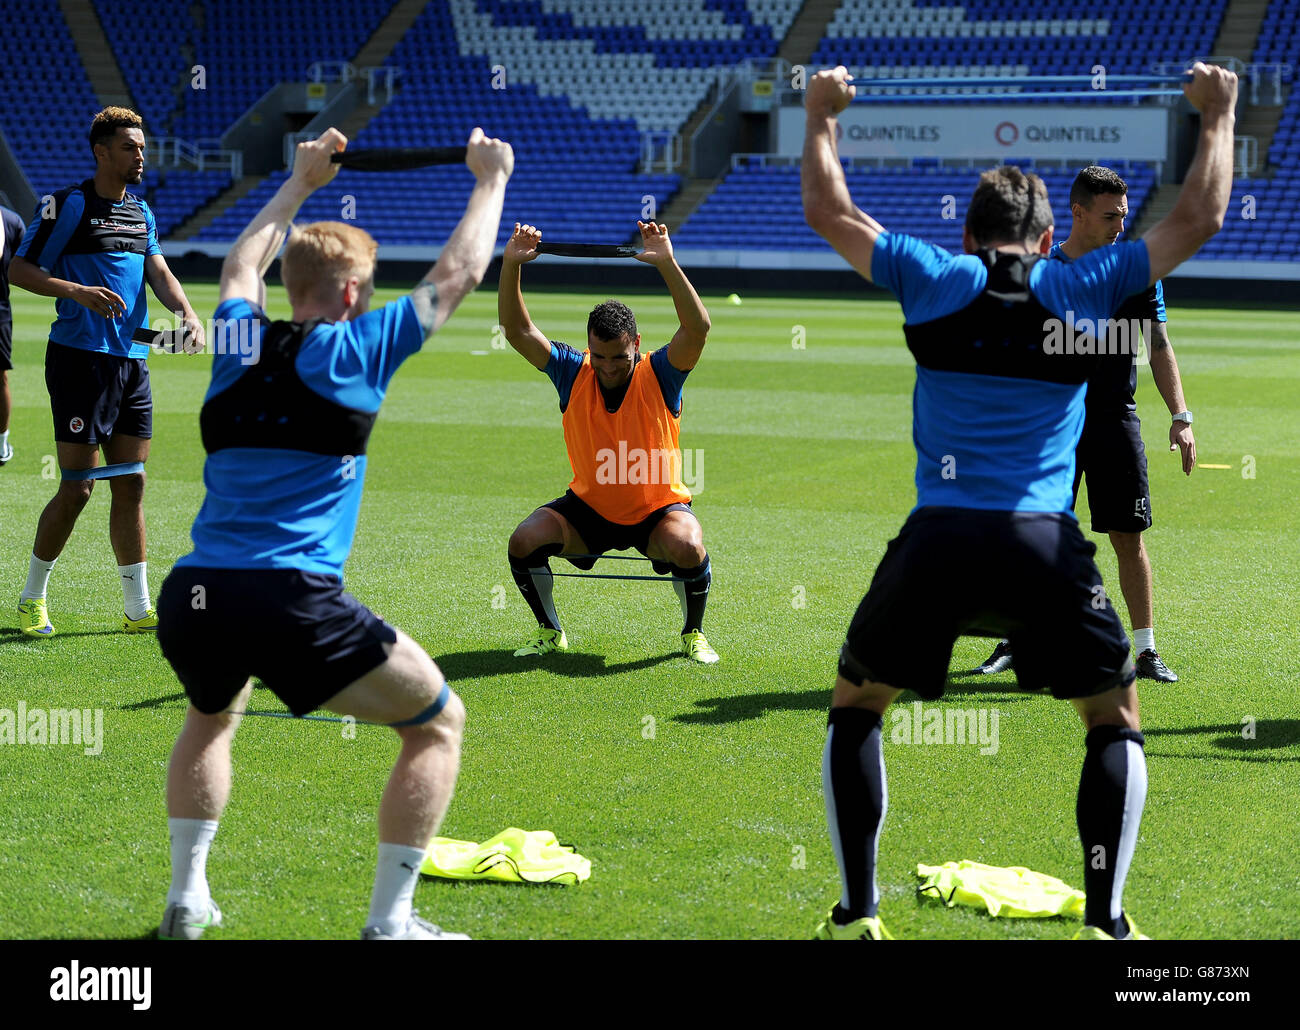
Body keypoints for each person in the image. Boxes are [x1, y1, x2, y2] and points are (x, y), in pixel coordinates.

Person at [801, 62, 1236, 940]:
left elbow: (830, 214)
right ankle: (1107, 923)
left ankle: (857, 915)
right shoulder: (1080, 287)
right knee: (1112, 717)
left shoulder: (933, 277)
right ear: (1046, 240)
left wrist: (821, 116)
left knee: (858, 704)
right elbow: (1200, 218)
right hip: (1041, 543)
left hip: (936, 541)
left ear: (969, 232)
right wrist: (1218, 115)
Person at [154, 126, 513, 940]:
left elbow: (240, 264)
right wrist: (489, 180)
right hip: (287, 595)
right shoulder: (356, 348)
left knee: (212, 717)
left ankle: (186, 897)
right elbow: (456, 276)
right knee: (436, 724)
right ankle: (391, 922)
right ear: (351, 292)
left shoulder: (237, 345)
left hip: (195, 593)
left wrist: (297, 184)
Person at [978, 165, 1193, 683]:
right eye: (1110, 215)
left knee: (1128, 536)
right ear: (1077, 213)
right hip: (1052, 422)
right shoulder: (1045, 272)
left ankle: (1144, 651)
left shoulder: (1137, 272)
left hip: (1115, 419)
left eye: (1123, 214)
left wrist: (1180, 416)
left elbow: (1158, 345)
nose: (1121, 224)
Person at [9, 106, 205, 636]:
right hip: (78, 360)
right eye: (130, 147)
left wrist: (185, 314)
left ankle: (138, 608)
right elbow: (19, 268)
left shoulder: (141, 211)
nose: (141, 155)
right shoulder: (67, 205)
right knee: (76, 487)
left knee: (131, 482)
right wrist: (78, 292)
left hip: (131, 363)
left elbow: (158, 270)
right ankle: (31, 598)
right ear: (101, 152)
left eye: (142, 147)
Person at [498, 219, 719, 663]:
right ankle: (550, 631)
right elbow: (518, 332)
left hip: (656, 511)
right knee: (523, 540)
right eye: (599, 356)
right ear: (588, 347)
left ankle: (693, 632)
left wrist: (668, 263)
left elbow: (697, 329)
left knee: (689, 546)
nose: (609, 367)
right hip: (589, 511)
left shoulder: (660, 372)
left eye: (619, 357)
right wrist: (511, 265)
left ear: (636, 343)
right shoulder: (572, 370)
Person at [0, 204, 24, 466]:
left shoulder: (10, 219)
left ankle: (1, 441)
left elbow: (26, 264)